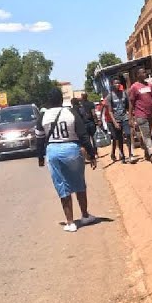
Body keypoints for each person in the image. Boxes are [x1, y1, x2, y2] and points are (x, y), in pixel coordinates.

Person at [37, 87, 98, 232]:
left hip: (53, 151)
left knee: (62, 186)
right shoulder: (70, 112)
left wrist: (40, 157)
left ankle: (70, 222)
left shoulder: (43, 116)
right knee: (79, 183)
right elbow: (83, 135)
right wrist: (91, 153)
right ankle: (84, 215)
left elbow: (39, 139)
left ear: (48, 100)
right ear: (60, 99)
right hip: (71, 149)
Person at [127, 68, 152, 163]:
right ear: (138, 75)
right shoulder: (134, 87)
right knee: (147, 135)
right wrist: (130, 117)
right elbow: (131, 103)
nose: (145, 74)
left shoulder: (150, 85)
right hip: (140, 115)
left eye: (145, 72)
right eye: (143, 72)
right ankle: (151, 153)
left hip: (150, 114)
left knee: (147, 134)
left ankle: (146, 151)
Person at [105, 82, 131, 163]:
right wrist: (115, 122)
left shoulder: (124, 94)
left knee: (128, 134)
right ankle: (122, 155)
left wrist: (130, 116)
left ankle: (131, 154)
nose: (117, 84)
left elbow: (129, 105)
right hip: (116, 120)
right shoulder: (110, 96)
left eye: (118, 83)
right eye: (115, 83)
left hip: (125, 118)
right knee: (119, 139)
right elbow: (110, 111)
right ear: (112, 85)